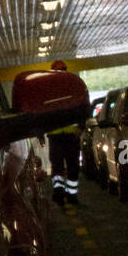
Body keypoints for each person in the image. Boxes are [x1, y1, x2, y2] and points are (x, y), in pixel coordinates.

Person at [46, 61, 81, 206]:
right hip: (58, 136)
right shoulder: (50, 90)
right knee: (59, 167)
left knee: (70, 166)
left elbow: (81, 108)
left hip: (68, 136)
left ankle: (69, 195)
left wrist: (81, 127)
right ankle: (60, 193)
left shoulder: (72, 88)